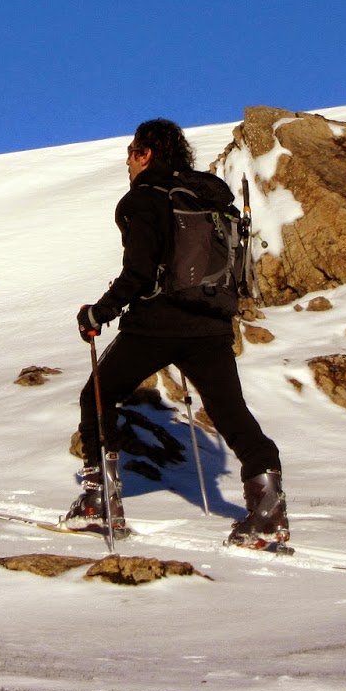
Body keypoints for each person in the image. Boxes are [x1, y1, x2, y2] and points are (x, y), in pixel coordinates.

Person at [70, 118, 288, 549]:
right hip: (211, 323)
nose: (128, 163)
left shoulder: (143, 199)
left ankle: (100, 502)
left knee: (97, 395)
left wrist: (97, 313)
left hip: (157, 322)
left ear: (146, 153)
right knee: (231, 414)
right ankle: (268, 513)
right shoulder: (209, 197)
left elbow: (138, 272)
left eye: (131, 153)